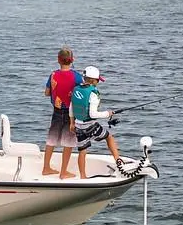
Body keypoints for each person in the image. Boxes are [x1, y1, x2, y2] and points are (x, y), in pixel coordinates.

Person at [70, 65, 124, 178]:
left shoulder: (76, 89)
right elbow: (92, 114)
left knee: (82, 151)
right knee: (109, 137)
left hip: (78, 125)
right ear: (93, 80)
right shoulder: (93, 93)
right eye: (98, 80)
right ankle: (118, 161)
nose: (98, 82)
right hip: (90, 125)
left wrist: (71, 123)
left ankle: (83, 176)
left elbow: (71, 107)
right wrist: (108, 114)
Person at [41, 47, 79, 178]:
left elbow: (46, 93)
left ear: (58, 60)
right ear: (72, 60)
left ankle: (46, 167)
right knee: (68, 142)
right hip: (70, 113)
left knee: (51, 139)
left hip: (56, 112)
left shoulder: (53, 75)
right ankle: (63, 172)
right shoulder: (77, 77)